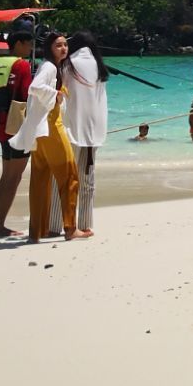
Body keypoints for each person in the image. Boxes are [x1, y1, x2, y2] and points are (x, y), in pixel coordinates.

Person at [9, 32, 80, 242]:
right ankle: (70, 228)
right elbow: (35, 87)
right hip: (50, 128)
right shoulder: (49, 67)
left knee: (40, 179)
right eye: (58, 45)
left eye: (65, 45)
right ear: (50, 48)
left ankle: (37, 231)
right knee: (69, 175)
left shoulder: (48, 66)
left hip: (40, 130)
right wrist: (56, 94)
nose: (63, 48)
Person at [0, 19, 37, 239]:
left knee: (5, 177)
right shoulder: (22, 65)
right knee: (14, 178)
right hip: (17, 126)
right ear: (20, 43)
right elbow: (26, 97)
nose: (32, 48)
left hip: (0, 124)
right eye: (30, 43)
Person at [64, 32, 108, 238]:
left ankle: (59, 224)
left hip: (70, 128)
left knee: (65, 179)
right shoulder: (100, 68)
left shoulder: (68, 65)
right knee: (87, 179)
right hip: (94, 131)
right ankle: (86, 223)